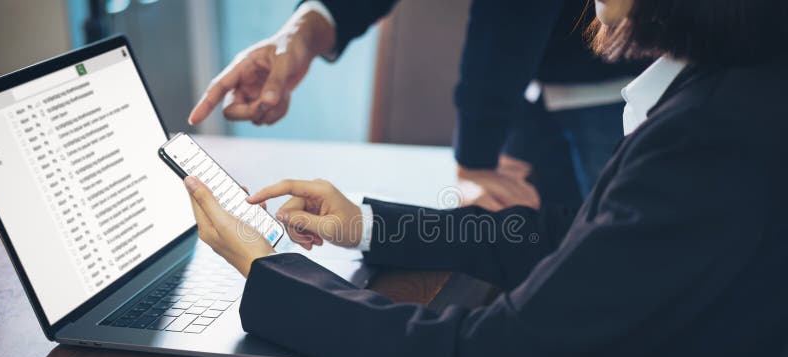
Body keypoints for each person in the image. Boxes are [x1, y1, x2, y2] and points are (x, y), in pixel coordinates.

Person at [183, 0, 788, 357]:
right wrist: (370, 224)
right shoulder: (727, 93)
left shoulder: (702, 139)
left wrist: (271, 272)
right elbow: (570, 239)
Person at [188, 0, 645, 212]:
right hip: (530, 92)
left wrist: (475, 158)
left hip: (616, 86)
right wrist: (304, 30)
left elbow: (511, 17)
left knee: (620, 283)